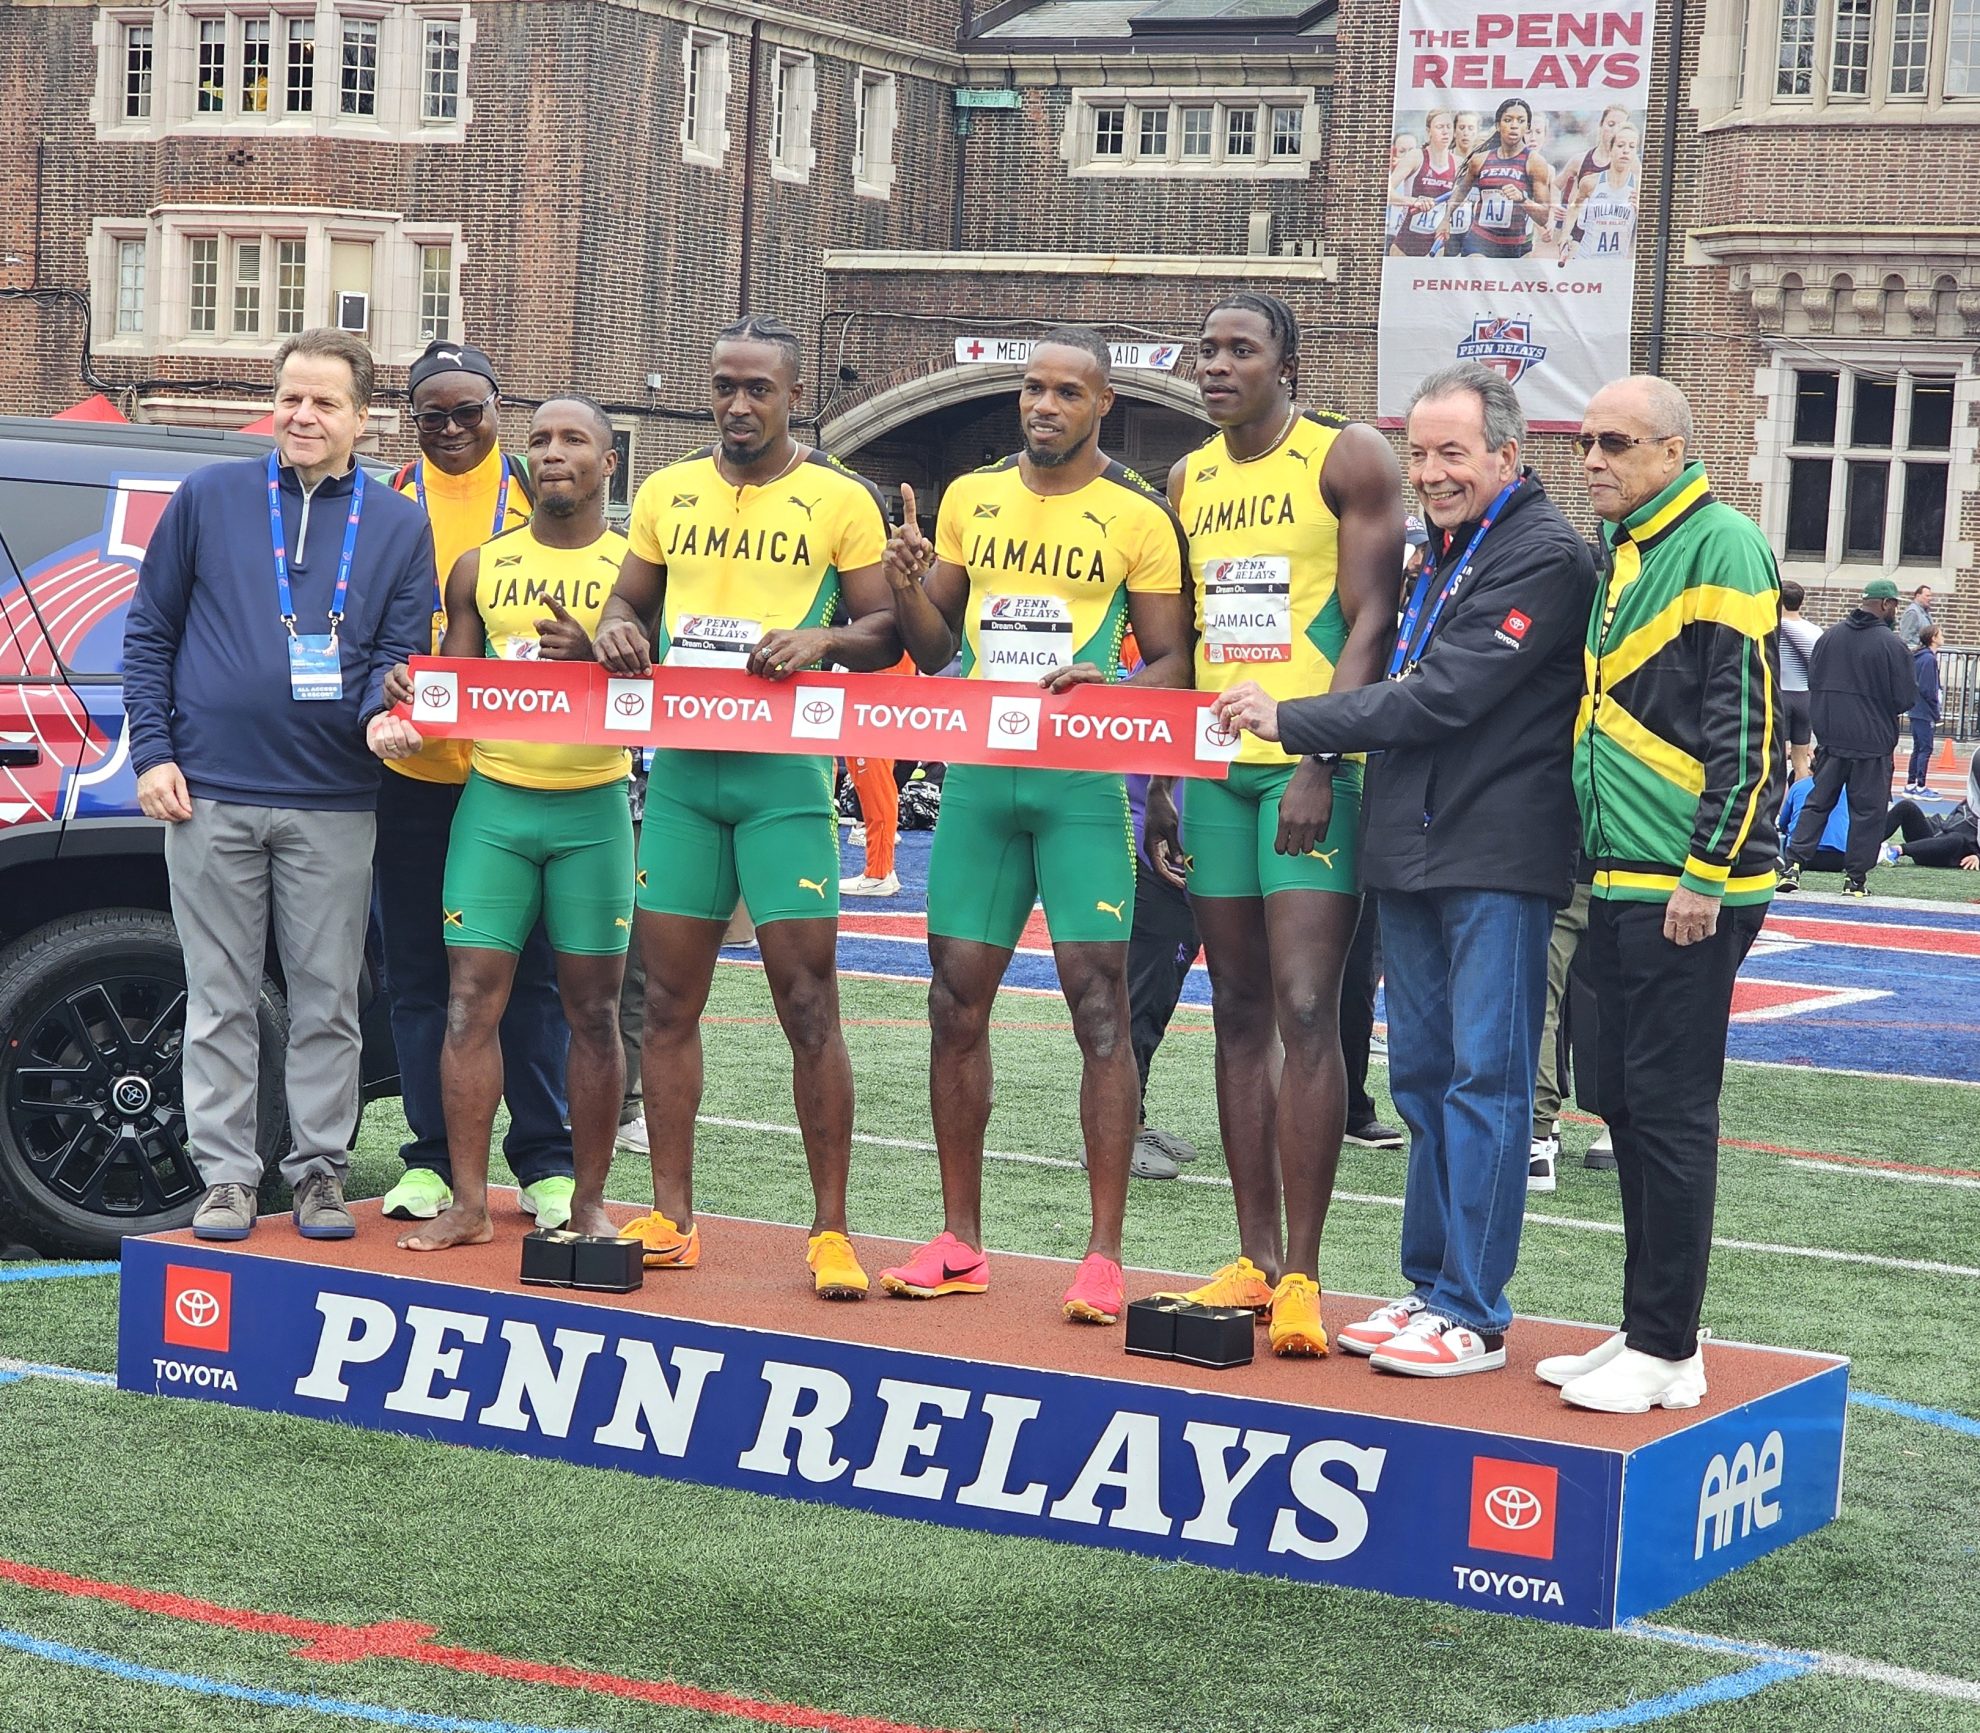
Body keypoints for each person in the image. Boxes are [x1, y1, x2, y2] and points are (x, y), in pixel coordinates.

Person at [1216, 361, 1594, 1377]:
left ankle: (1473, 1309)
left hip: (1495, 852)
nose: (1430, 472)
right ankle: (1429, 1285)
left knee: (1487, 1081)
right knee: (1424, 1079)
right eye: (1419, 452)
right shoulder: (1446, 549)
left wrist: (1295, 720)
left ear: (1507, 456)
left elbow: (1444, 694)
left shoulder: (1543, 554)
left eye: (1453, 453)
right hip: (1415, 847)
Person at [877, 327, 1191, 1325]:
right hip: (980, 783)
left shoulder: (1137, 516)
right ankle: (960, 1238)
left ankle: (1103, 1253)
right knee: (954, 1001)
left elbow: (1176, 662)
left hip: (1081, 786)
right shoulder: (971, 497)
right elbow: (932, 652)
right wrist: (905, 579)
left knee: (1099, 1007)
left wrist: (1121, 677)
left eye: (1066, 391)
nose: (1043, 405)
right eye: (1031, 389)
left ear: (1103, 404)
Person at [592, 316, 901, 1299]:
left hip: (784, 782)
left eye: (758, 388)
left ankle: (831, 1228)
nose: (737, 403)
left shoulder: (837, 498)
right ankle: (675, 1215)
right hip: (683, 778)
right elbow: (628, 601)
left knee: (808, 1002)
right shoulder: (668, 491)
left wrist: (820, 642)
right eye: (724, 384)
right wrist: (613, 628)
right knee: (671, 1002)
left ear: (793, 396)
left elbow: (886, 631)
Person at [123, 328, 431, 1240]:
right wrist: (153, 755)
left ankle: (321, 1173)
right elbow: (149, 636)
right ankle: (226, 1176)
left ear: (363, 420)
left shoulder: (399, 525)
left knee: (328, 997)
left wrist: (388, 715)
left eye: (324, 401)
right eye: (291, 397)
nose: (301, 415)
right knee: (219, 996)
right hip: (208, 791)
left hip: (334, 800)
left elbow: (394, 658)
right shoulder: (211, 497)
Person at [1142, 292, 1403, 1358]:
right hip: (1213, 771)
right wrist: (1163, 770)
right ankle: (1251, 1256)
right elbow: (1190, 633)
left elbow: (1375, 616)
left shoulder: (1347, 456)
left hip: (1307, 770)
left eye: (1239, 349)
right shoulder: (1186, 477)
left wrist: (1321, 749)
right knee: (1238, 1002)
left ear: (1287, 364)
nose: (1215, 365)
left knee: (1307, 1002)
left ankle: (1305, 1272)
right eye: (1205, 349)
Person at [1549, 374, 1784, 1414]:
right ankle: (1655, 1333)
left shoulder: (1721, 542)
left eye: (1615, 442)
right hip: (1618, 875)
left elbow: (1751, 730)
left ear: (1675, 450)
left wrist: (1705, 874)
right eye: (1586, 440)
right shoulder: (1622, 549)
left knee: (1672, 1111)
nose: (1592, 458)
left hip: (1687, 885)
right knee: (1626, 1102)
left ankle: (1667, 1340)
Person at [375, 398, 633, 1252]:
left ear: (608, 463)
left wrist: (604, 660)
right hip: (493, 805)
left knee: (591, 1013)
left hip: (593, 808)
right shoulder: (480, 566)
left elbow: (674, 695)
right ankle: (469, 1201)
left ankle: (587, 1200)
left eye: (574, 441)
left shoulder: (638, 569)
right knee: (466, 1005)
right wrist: (411, 690)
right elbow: (454, 677)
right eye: (541, 441)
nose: (552, 453)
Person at [1780, 578, 1916, 898]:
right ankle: (1854, 880)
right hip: (1872, 743)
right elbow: (1905, 698)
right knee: (1867, 813)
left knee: (1817, 804)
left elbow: (1813, 680)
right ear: (1885, 605)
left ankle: (1794, 865)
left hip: (1831, 738)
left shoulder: (1829, 638)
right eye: (1894, 604)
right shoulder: (1892, 646)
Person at [1439, 97, 1556, 260]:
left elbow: (1543, 216)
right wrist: (1446, 219)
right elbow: (1461, 190)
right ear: (1498, 125)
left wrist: (1522, 199)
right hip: (1480, 240)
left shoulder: (1535, 162)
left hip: (1514, 245)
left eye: (1520, 121)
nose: (1514, 125)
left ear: (1527, 127)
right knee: (1477, 266)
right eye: (1508, 120)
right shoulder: (1480, 160)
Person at [1557, 122, 1639, 264]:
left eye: (1631, 147)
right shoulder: (1591, 182)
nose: (1626, 151)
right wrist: (1565, 235)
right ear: (1611, 149)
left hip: (1617, 263)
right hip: (1586, 258)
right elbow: (1574, 206)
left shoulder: (1639, 187)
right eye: (1620, 146)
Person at [1389, 109, 1460, 258]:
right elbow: (1386, 192)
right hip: (1405, 246)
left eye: (1449, 127)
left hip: (1436, 248)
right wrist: (1414, 201)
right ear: (1429, 131)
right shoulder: (1416, 156)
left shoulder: (1458, 163)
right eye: (1440, 127)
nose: (1445, 132)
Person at [1777, 578, 1820, 784]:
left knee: (1776, 760)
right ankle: (1800, 808)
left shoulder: (1772, 630)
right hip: (1806, 697)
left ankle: (1775, 811)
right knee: (1801, 760)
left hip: (1780, 696)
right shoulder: (1815, 632)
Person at [1906, 623, 1942, 794]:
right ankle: (1920, 785)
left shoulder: (1920, 657)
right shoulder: (1929, 659)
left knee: (1918, 746)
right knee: (1925, 747)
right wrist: (1935, 712)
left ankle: (1911, 782)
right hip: (1924, 710)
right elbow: (1928, 689)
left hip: (1917, 708)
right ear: (1933, 638)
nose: (1942, 637)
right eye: (1940, 634)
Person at [1899, 584, 1933, 650]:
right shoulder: (1912, 613)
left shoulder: (1925, 612)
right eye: (1927, 596)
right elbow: (1905, 638)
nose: (1930, 598)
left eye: (1930, 596)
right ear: (1918, 596)